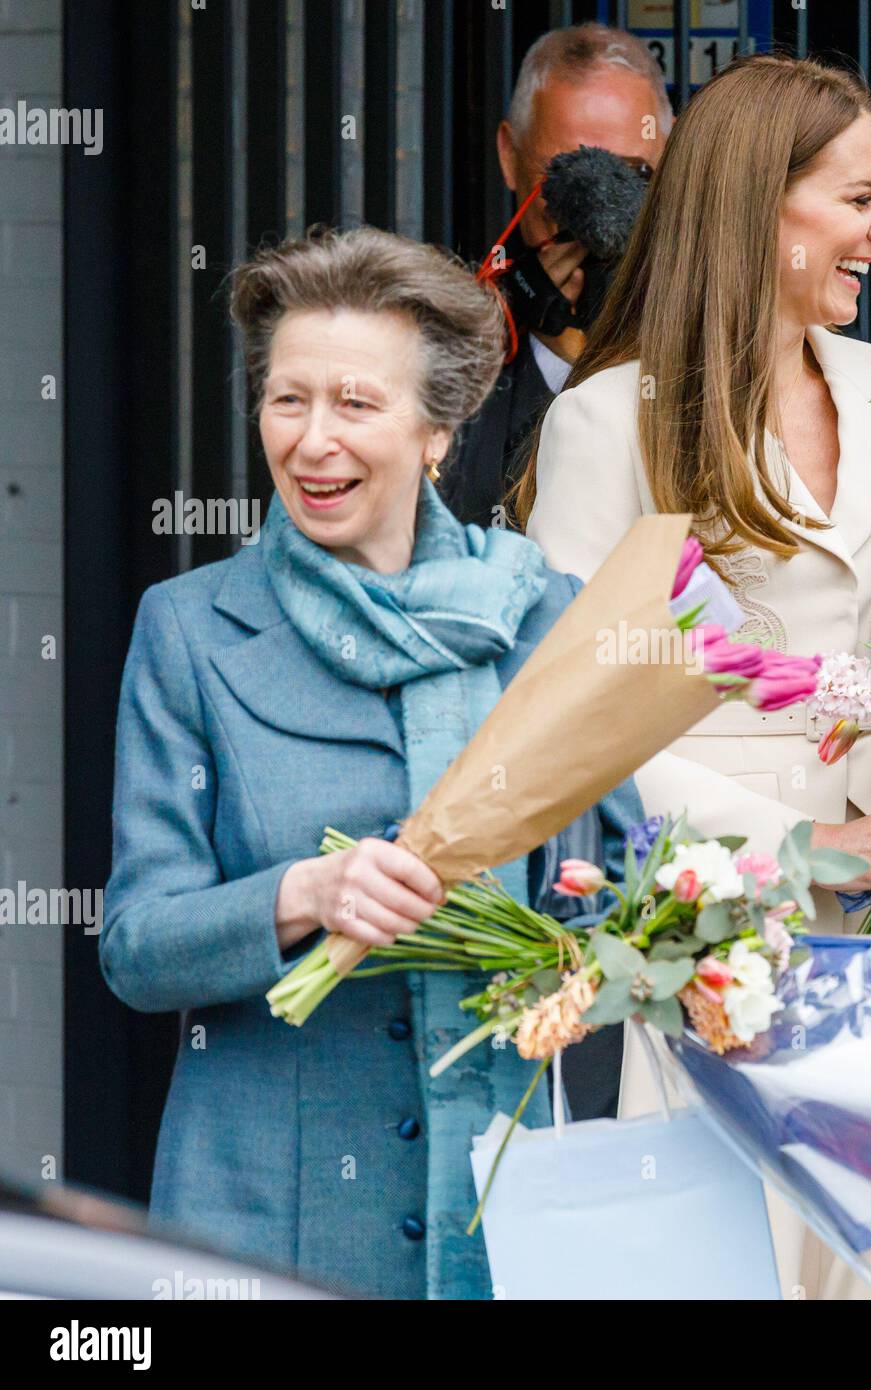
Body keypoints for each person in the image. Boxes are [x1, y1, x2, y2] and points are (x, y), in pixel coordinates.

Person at [517, 53, 871, 1300]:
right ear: (758, 204)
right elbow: (571, 718)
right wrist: (805, 845)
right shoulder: (606, 422)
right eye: (858, 199)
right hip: (717, 943)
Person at [100, 226, 641, 1300]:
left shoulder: (542, 615)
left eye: (355, 404)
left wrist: (616, 939)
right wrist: (307, 892)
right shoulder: (192, 629)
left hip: (501, 1201)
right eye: (286, 400)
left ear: (439, 431)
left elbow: (611, 896)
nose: (310, 441)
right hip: (262, 1220)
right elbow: (137, 947)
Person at [438, 22, 671, 532]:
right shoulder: (449, 337)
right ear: (509, 155)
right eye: (566, 174)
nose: (597, 207)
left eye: (634, 174)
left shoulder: (709, 335)